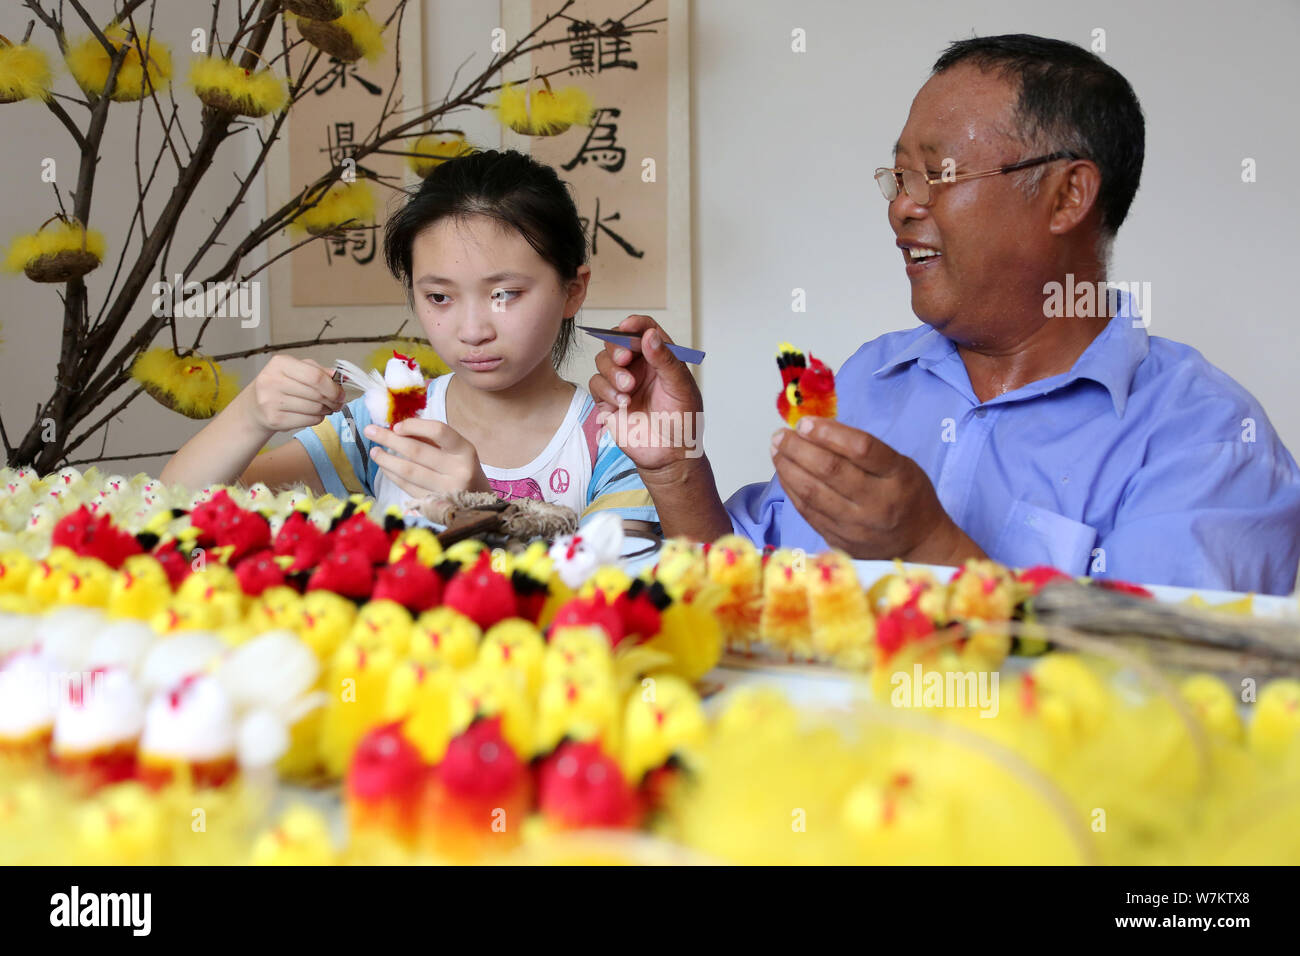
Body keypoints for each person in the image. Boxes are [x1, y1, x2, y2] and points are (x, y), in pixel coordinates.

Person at [589, 34, 1300, 595]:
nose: (902, 204)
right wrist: (676, 467)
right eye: (899, 176)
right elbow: (739, 601)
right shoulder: (872, 380)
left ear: (1067, 195)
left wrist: (931, 549)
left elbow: (1166, 707)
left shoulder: (1207, 440)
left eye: (940, 172)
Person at [162, 149, 658, 532]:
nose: (472, 330)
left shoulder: (620, 442)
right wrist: (250, 416)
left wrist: (484, 507)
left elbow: (618, 599)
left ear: (573, 290)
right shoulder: (388, 425)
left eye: (504, 293)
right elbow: (175, 509)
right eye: (439, 297)